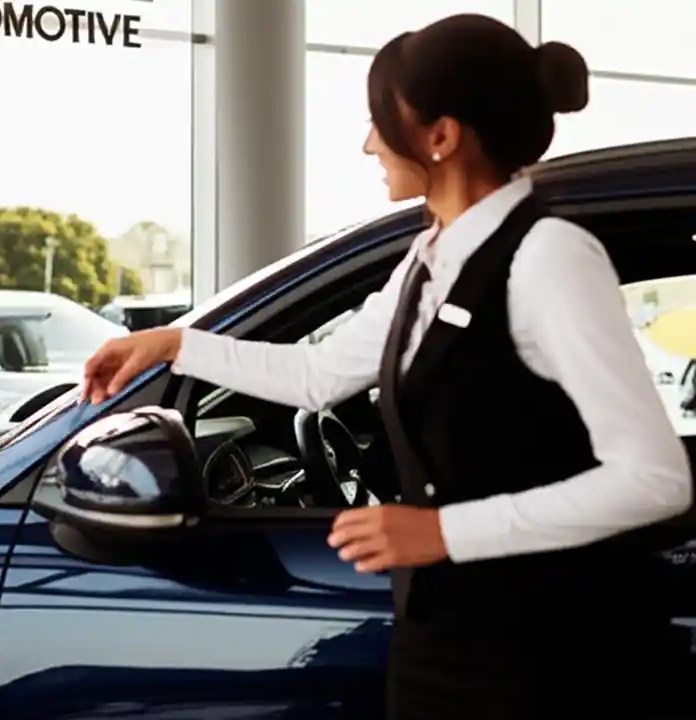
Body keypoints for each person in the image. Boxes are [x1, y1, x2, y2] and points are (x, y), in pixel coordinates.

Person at [81, 15, 691, 719]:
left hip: (549, 657)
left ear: (441, 137)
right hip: (447, 644)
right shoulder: (430, 256)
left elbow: (654, 478)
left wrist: (440, 532)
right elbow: (321, 376)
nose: (368, 143)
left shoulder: (548, 256)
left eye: (380, 122)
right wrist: (174, 344)